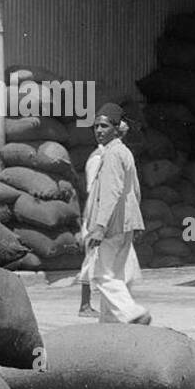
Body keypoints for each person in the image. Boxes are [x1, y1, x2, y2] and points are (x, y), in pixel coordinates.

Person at [83, 103, 150, 325]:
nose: (98, 131)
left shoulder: (112, 155)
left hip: (112, 225)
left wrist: (100, 226)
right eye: (95, 127)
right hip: (125, 222)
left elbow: (111, 193)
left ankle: (132, 313)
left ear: (116, 128)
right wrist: (136, 221)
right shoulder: (125, 152)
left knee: (104, 276)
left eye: (104, 126)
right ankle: (109, 328)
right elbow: (135, 190)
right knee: (116, 274)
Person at [77, 117, 131, 316]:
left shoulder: (113, 154)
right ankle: (85, 305)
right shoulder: (99, 158)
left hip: (107, 215)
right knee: (93, 259)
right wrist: (97, 222)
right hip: (97, 214)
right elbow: (95, 190)